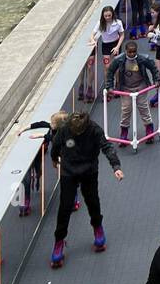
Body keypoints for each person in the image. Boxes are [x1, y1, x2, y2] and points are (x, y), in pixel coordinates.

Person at [48, 112, 123, 267]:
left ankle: (97, 228)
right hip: (69, 172)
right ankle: (59, 241)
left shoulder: (94, 129)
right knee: (65, 207)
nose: (76, 134)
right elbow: (55, 146)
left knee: (92, 201)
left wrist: (115, 166)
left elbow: (107, 147)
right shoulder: (64, 129)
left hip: (89, 170)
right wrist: (55, 159)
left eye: (79, 133)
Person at [104, 39, 160, 145]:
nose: (132, 54)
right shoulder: (118, 60)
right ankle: (124, 134)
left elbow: (153, 68)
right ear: (125, 51)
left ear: (136, 51)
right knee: (126, 110)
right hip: (126, 89)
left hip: (141, 87)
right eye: (129, 52)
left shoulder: (143, 58)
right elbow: (110, 72)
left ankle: (149, 130)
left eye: (134, 51)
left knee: (143, 108)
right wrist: (109, 87)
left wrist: (156, 80)